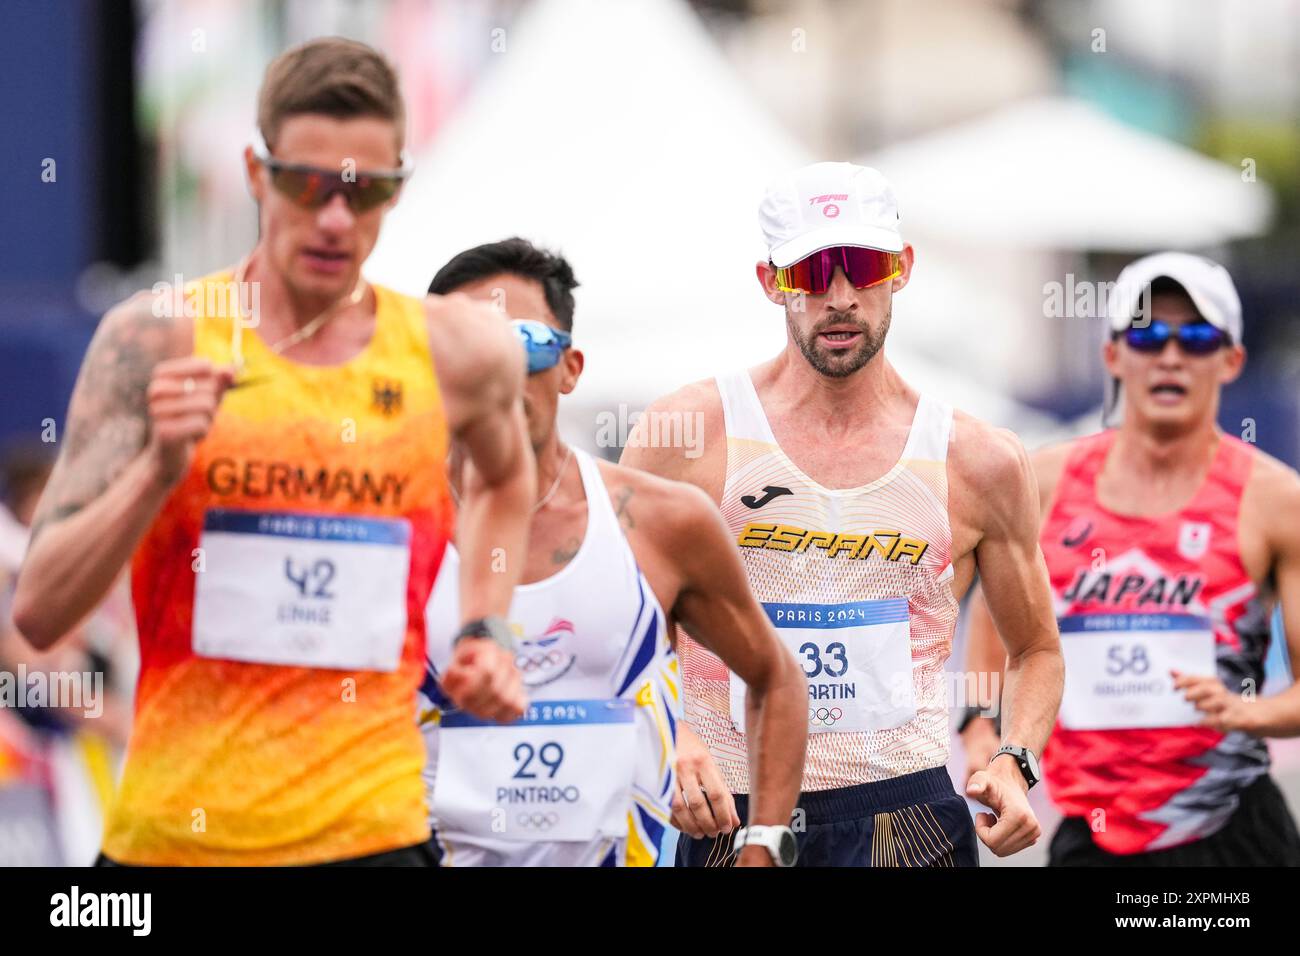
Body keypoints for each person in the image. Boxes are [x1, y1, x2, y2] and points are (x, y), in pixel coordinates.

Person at [12, 37, 535, 866]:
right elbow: (38, 613)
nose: (335, 218)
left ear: (397, 186)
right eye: (306, 183)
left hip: (375, 832)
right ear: (258, 173)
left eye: (365, 191)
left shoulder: (459, 353)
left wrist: (487, 626)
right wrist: (157, 469)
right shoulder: (157, 339)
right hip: (177, 840)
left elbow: (507, 482)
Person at [623, 162, 1063, 867]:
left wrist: (1014, 760)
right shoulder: (688, 435)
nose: (838, 296)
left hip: (904, 814)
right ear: (771, 282)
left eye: (860, 265)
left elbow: (1036, 648)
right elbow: (629, 628)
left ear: (901, 268)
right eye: (811, 271)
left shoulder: (978, 460)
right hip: (730, 813)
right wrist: (679, 739)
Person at [419, 238, 807, 866]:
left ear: (570, 367)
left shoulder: (660, 522)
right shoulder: (394, 524)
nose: (497, 374)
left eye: (523, 344)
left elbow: (777, 676)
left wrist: (763, 844)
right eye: (467, 348)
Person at [961, 252, 1300, 865]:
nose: (1171, 355)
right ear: (1113, 355)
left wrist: (1246, 710)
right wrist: (984, 734)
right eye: (1147, 333)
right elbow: (990, 622)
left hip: (1233, 833)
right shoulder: (1042, 483)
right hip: (1090, 833)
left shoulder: (1276, 502)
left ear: (1231, 361)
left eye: (1196, 336)